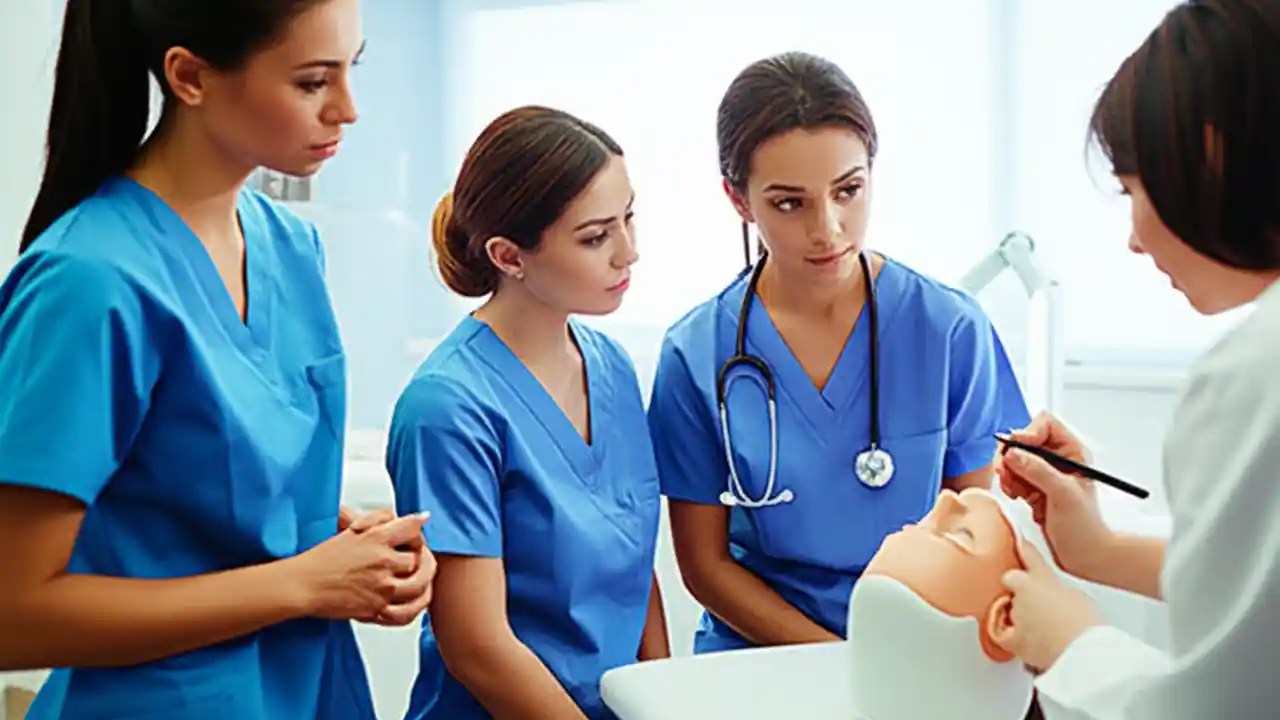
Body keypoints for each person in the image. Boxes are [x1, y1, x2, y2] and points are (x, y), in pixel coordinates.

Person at [0, 1, 435, 718]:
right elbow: (14, 615)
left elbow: (215, 492)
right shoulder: (90, 282)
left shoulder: (291, 248)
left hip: (308, 692)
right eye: (312, 82)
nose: (348, 110)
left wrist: (347, 543)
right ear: (190, 76)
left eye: (351, 70)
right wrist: (305, 583)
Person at [646, 50, 1031, 654]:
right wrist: (841, 661)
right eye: (789, 203)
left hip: (921, 642)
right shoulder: (697, 353)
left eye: (848, 190)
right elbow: (705, 568)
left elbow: (973, 539)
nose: (828, 229)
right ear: (739, 200)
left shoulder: (948, 329)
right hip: (758, 651)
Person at [990, 1, 1280, 717]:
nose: (1134, 242)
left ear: (1208, 153)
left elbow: (1216, 705)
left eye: (1131, 189)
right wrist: (1098, 551)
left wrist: (1073, 641)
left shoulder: (1255, 375)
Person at [386, 105, 669, 720]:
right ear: (510, 256)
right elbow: (478, 648)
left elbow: (633, 572)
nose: (629, 253)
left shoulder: (613, 368)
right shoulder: (449, 407)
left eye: (628, 218)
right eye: (596, 237)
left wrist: (661, 701)